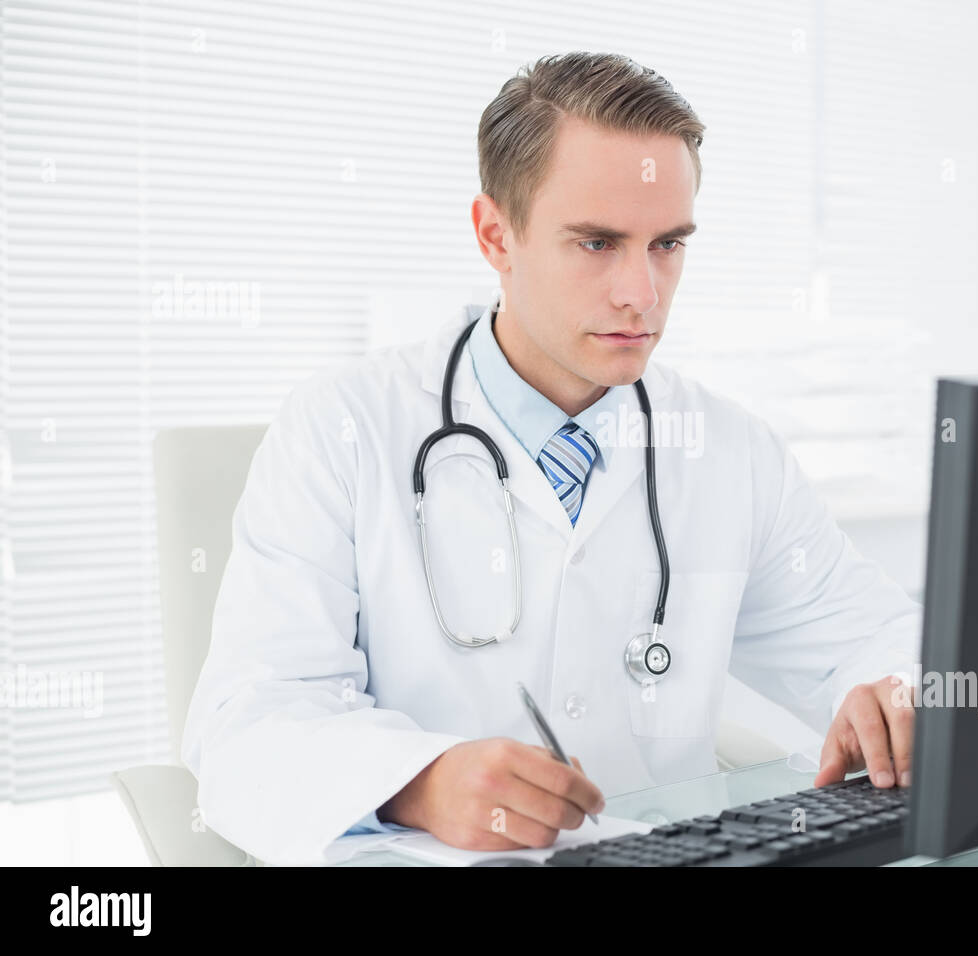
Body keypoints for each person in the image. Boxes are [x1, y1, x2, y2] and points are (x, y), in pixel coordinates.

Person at [182, 51, 920, 865]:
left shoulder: (729, 450)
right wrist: (419, 782)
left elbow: (872, 636)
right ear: (496, 234)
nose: (642, 292)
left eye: (668, 243)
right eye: (598, 243)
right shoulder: (339, 429)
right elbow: (244, 725)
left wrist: (898, 688)